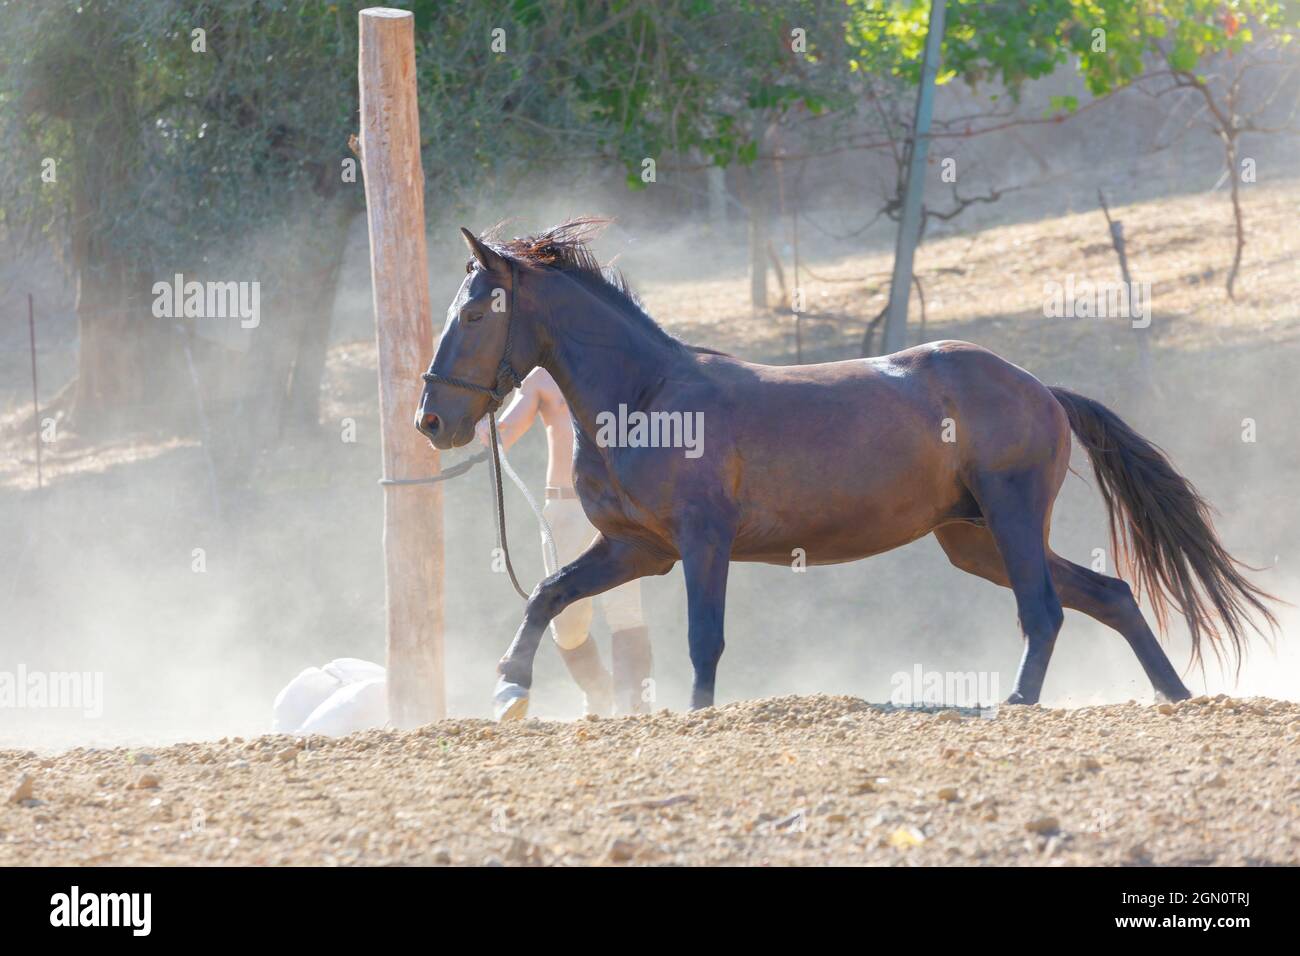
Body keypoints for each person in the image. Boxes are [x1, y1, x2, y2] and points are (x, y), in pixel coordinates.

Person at [477, 367, 653, 721]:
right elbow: (505, 432)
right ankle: (597, 691)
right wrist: (489, 424)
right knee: (568, 624)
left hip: (617, 505)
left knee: (625, 609)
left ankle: (635, 708)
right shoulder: (540, 379)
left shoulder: (624, 364)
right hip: (564, 510)